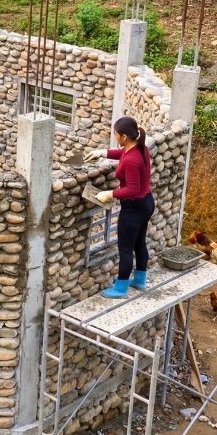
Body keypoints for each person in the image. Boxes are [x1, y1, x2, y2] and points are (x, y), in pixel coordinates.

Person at [95, 116, 153, 298]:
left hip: (133, 208)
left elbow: (132, 190)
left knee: (126, 248)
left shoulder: (131, 160)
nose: (115, 137)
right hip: (147, 203)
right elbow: (124, 154)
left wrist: (110, 194)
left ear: (125, 137)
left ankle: (120, 288)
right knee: (139, 242)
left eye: (116, 134)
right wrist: (104, 153)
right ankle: (140, 280)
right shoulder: (141, 148)